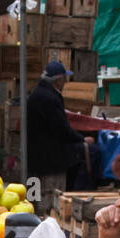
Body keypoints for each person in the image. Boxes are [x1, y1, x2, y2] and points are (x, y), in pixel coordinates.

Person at [25, 59, 89, 211]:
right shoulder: (50, 98)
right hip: (47, 154)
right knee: (83, 153)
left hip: (36, 152)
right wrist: (82, 139)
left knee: (34, 189)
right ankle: (71, 198)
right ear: (59, 80)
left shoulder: (38, 92)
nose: (66, 82)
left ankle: (36, 206)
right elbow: (62, 130)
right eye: (64, 79)